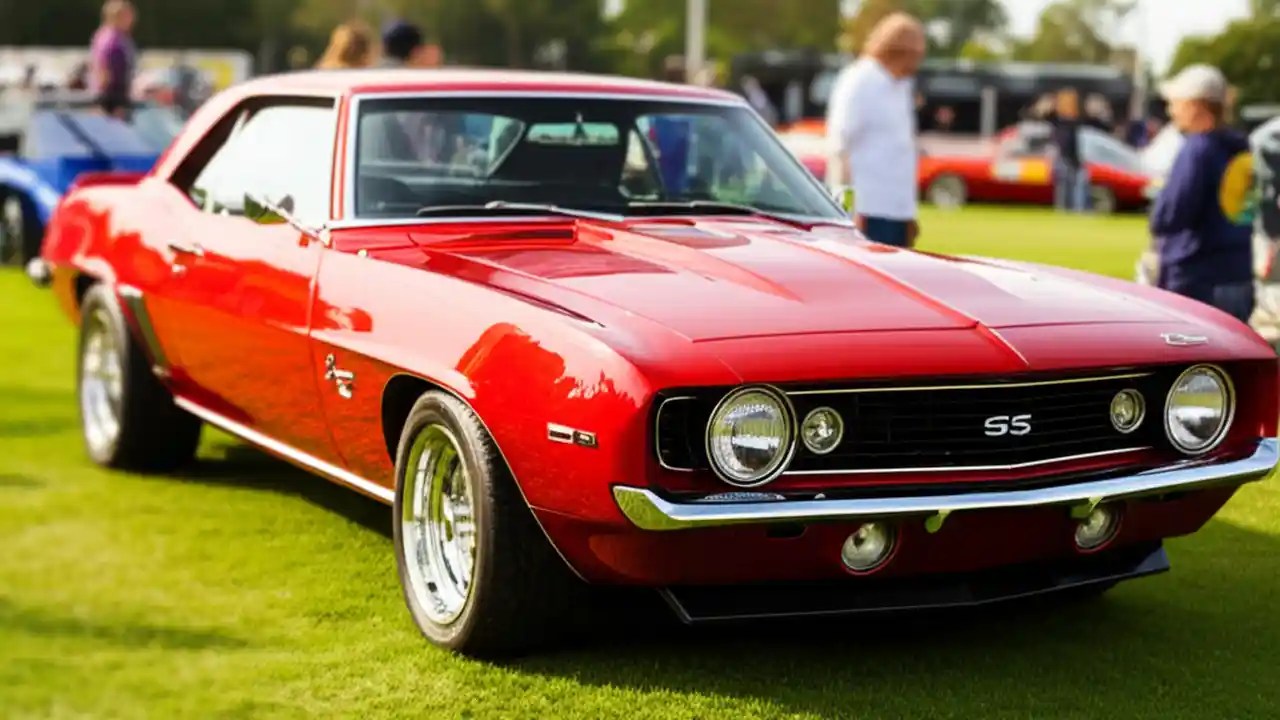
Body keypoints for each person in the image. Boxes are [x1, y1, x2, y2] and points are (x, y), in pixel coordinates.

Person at [1150, 64, 1255, 324]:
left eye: (1176, 102)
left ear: (1197, 105)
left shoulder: (1197, 149)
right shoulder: (1242, 148)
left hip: (1197, 277)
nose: (1171, 110)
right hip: (1238, 274)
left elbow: (1171, 216)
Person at [825, 12, 927, 247]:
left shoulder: (901, 86)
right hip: (867, 212)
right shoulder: (860, 81)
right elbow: (840, 146)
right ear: (898, 50)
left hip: (897, 214)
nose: (917, 64)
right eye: (915, 56)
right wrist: (847, 210)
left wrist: (909, 213)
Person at [88, 0, 137, 119]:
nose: (132, 19)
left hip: (115, 94)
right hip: (111, 97)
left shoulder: (115, 36)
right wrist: (111, 102)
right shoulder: (111, 40)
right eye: (127, 15)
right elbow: (104, 70)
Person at [1044, 88, 1090, 212]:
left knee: (1075, 186)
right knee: (1065, 186)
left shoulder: (1076, 121)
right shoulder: (1058, 121)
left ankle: (1075, 209)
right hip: (1064, 157)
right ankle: (1066, 208)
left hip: (1076, 158)